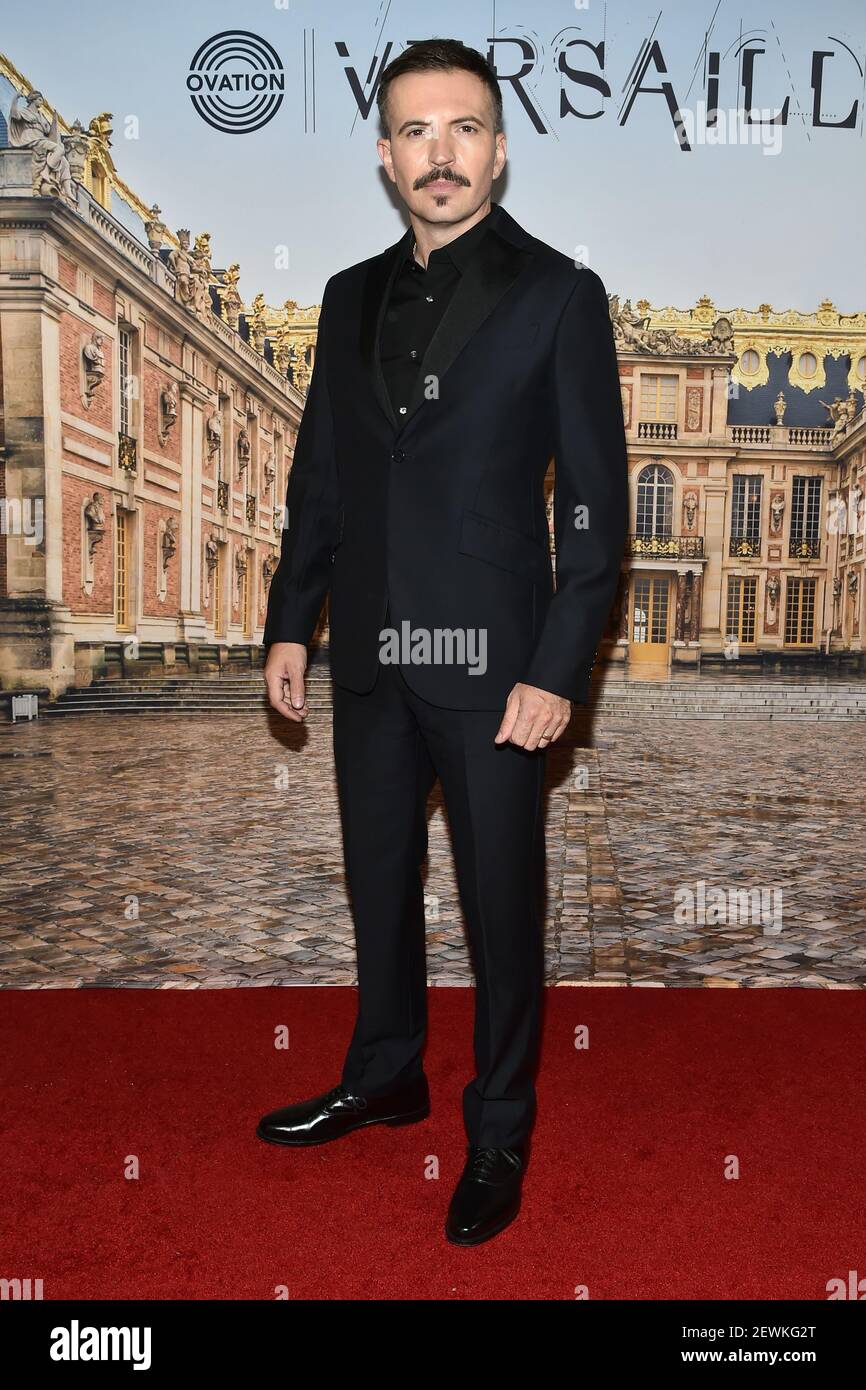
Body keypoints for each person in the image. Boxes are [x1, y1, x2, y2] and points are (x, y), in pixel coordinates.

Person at [258, 37, 628, 1247]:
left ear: (499, 149)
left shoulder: (559, 295)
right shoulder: (344, 297)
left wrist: (555, 667)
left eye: (462, 128)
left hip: (494, 669)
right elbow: (321, 475)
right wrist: (288, 623)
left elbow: (591, 510)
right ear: (384, 155)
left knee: (500, 905)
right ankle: (385, 1073)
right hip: (367, 652)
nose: (439, 153)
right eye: (415, 131)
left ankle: (501, 1125)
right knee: (379, 887)